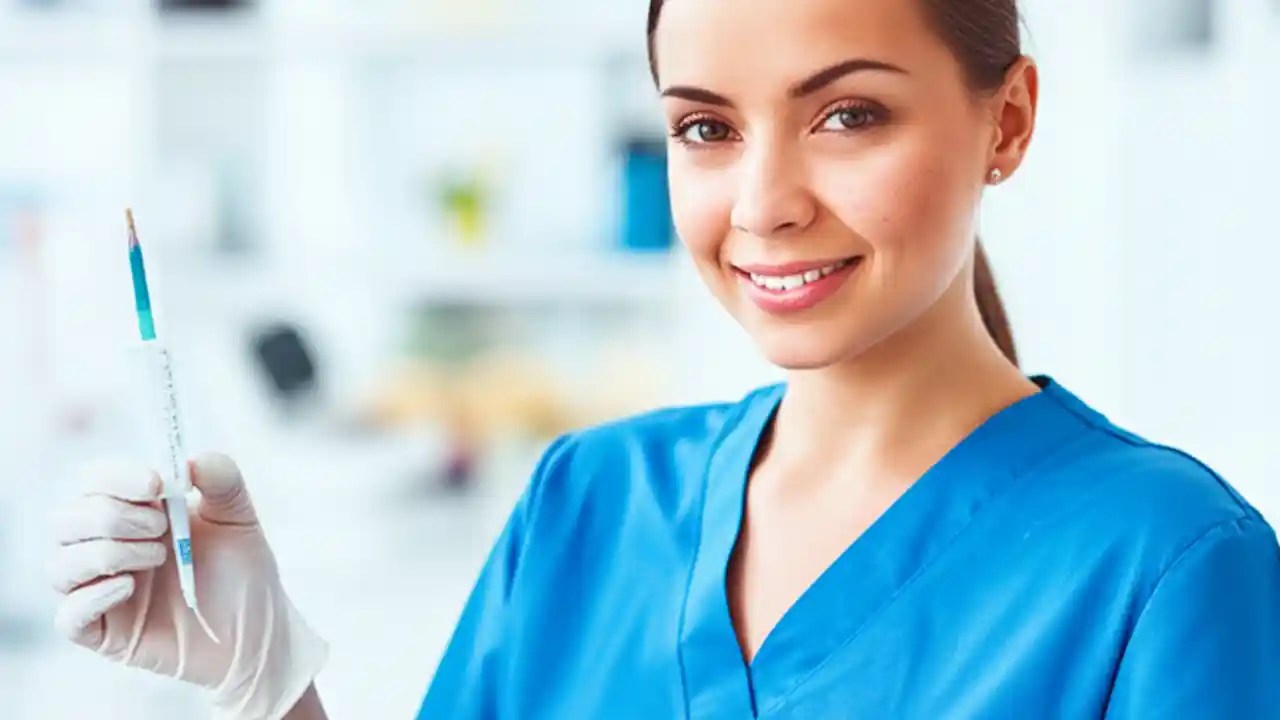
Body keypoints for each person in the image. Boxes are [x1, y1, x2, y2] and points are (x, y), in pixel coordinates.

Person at [49, 0, 1280, 717]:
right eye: (705, 127)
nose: (762, 202)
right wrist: (271, 688)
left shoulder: (1164, 565)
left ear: (1003, 121)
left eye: (846, 115)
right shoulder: (585, 504)